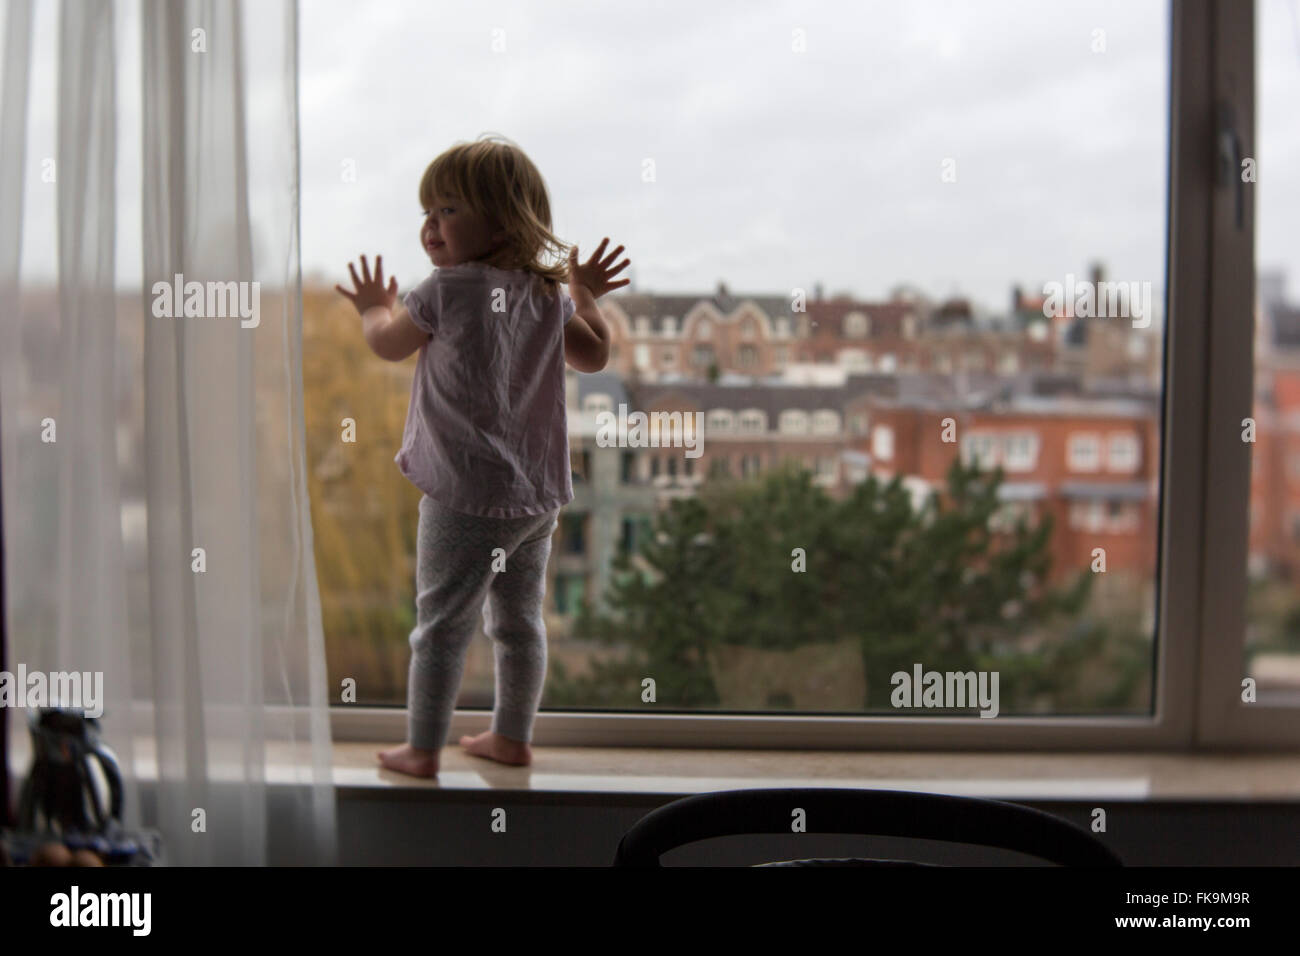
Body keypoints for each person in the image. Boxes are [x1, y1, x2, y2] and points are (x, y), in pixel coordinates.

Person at [333, 134, 630, 777]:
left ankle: (421, 750)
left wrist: (370, 308)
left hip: (464, 495)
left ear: (502, 217)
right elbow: (595, 356)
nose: (431, 227)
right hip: (535, 498)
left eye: (447, 210)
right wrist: (586, 294)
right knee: (520, 622)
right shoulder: (545, 294)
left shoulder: (444, 291)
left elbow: (387, 344)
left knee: (440, 626)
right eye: (427, 213)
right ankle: (512, 738)